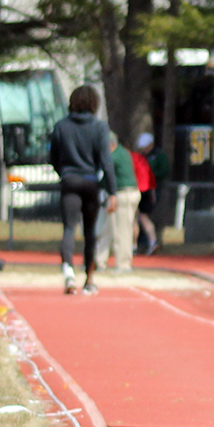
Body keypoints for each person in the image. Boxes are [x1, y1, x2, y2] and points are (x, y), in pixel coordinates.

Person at [49, 85, 116, 295]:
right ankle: (89, 278)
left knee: (69, 227)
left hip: (69, 179)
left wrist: (64, 173)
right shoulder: (100, 127)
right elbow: (106, 162)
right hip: (90, 181)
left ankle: (68, 270)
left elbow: (52, 158)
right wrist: (112, 191)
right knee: (89, 232)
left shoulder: (61, 126)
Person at [103, 136, 142, 273]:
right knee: (117, 228)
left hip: (123, 194)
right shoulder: (123, 152)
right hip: (130, 193)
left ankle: (123, 264)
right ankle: (100, 261)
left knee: (122, 231)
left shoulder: (115, 155)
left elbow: (105, 170)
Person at [131, 133, 159, 256]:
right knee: (144, 217)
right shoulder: (142, 159)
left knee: (135, 218)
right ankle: (153, 240)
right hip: (147, 189)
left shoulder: (132, 158)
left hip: (138, 189)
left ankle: (133, 245)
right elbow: (150, 175)